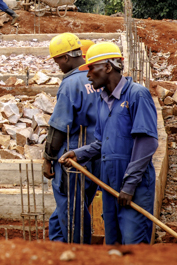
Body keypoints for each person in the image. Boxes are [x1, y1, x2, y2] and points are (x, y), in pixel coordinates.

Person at [59, 42, 159, 245]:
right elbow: (101, 143)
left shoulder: (137, 95)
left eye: (91, 69)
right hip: (109, 185)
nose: (88, 75)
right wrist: (78, 154)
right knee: (113, 244)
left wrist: (129, 185)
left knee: (133, 246)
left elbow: (147, 143)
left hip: (134, 187)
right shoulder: (102, 100)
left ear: (107, 67)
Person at [42, 33, 102, 243]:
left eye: (57, 60)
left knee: (72, 210)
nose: (57, 65)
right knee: (73, 207)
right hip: (95, 154)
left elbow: (59, 127)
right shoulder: (96, 77)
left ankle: (77, 252)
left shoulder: (70, 84)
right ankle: (58, 247)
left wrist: (48, 158)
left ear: (66, 57)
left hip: (72, 158)